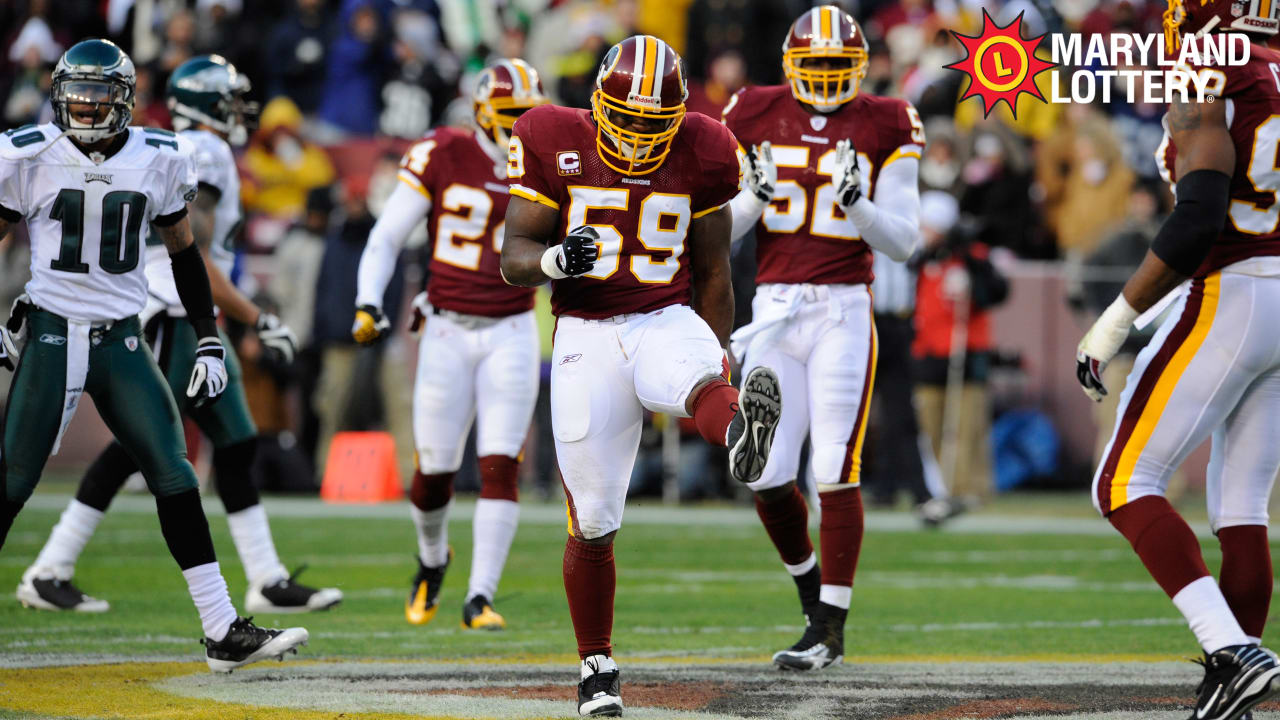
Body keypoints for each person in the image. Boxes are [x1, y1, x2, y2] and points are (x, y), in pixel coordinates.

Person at [0, 39, 306, 672]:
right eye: (76, 99)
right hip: (54, 327)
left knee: (174, 471)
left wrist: (211, 334)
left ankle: (222, 628)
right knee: (12, 479)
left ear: (126, 100)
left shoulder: (159, 157)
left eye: (98, 98)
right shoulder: (26, 154)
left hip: (120, 334)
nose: (85, 111)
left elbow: (185, 251)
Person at [500, 35, 782, 717]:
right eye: (624, 122)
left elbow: (714, 271)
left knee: (696, 377)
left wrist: (717, 358)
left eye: (653, 126)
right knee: (593, 520)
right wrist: (554, 262)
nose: (634, 139)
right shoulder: (548, 135)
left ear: (680, 117)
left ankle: (738, 425)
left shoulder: (708, 147)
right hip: (586, 333)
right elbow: (512, 255)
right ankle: (597, 665)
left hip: (663, 313)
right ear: (597, 104)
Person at [1074, 3, 1280, 717]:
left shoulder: (1212, 64)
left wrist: (1116, 317)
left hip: (1234, 291)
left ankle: (1232, 649)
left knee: (1124, 480)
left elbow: (1197, 217)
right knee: (1241, 505)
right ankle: (1236, 693)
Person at [720, 5, 923, 672]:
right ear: (790, 66)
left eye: (841, 68)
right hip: (775, 310)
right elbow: (713, 235)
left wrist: (860, 205)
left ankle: (830, 628)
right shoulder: (751, 110)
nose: (830, 79)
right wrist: (751, 200)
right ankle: (812, 595)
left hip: (840, 310)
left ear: (860, 69)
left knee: (834, 466)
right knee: (764, 471)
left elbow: (904, 241)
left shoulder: (888, 120)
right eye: (818, 67)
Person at [352, 58, 548, 631]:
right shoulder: (444, 151)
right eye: (509, 116)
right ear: (483, 114)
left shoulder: (549, 163)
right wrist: (368, 301)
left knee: (499, 464)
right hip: (445, 328)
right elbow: (386, 235)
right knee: (433, 471)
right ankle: (433, 559)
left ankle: (480, 595)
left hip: (511, 328)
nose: (517, 128)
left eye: (526, 116)